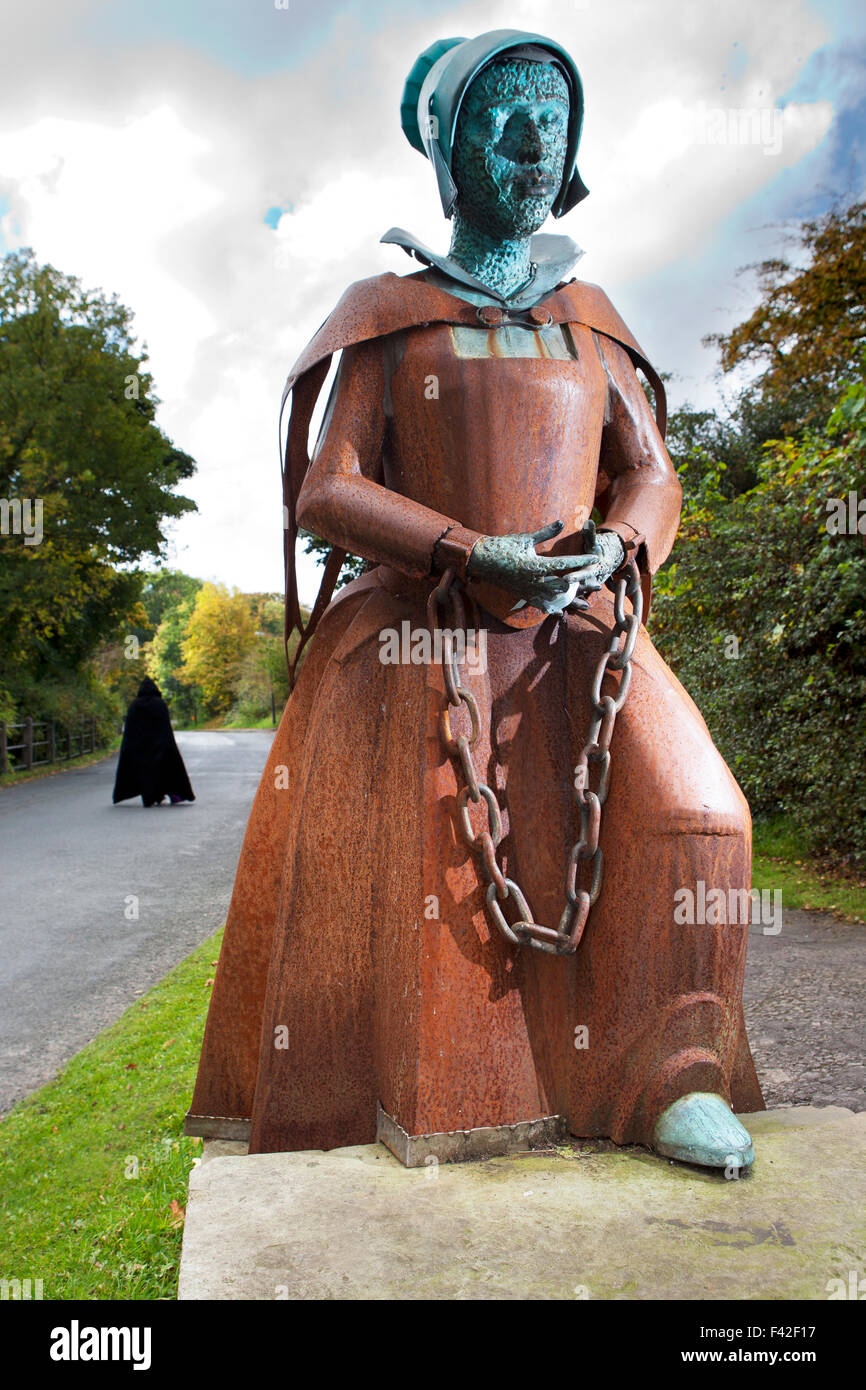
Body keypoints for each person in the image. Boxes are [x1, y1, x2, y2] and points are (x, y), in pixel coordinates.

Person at [187, 29, 764, 1170]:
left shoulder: (586, 316)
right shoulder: (387, 314)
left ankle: (671, 1075)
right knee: (428, 876)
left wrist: (615, 549)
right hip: (423, 621)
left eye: (550, 116)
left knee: (703, 812)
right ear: (451, 150)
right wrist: (461, 548)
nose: (530, 141)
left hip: (581, 624)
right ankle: (431, 1087)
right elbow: (328, 486)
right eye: (501, 116)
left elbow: (647, 469)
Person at [112, 677, 194, 808]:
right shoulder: (159, 704)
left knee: (144, 773)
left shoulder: (134, 706)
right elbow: (165, 728)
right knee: (161, 771)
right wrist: (169, 745)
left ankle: (149, 797)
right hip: (159, 746)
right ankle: (159, 795)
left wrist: (128, 747)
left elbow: (130, 730)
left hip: (139, 748)